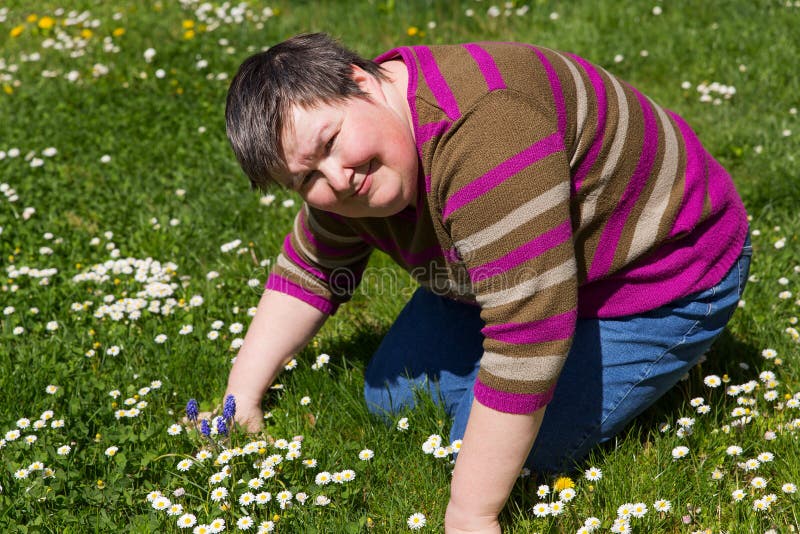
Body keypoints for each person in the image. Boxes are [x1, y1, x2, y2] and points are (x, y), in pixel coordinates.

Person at [222, 33, 750, 532]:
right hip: (517, 271)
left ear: (360, 80)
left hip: (659, 278)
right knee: (394, 397)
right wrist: (239, 398)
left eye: (332, 142)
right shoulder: (357, 162)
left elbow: (530, 337)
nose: (339, 179)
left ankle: (650, 353)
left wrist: (470, 515)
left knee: (490, 448)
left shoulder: (486, 133)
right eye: (306, 178)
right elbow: (312, 269)